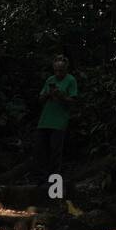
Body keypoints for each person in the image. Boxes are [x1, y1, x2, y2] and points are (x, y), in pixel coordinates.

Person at [36, 54, 78, 187]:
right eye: (56, 70)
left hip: (59, 122)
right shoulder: (50, 80)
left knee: (56, 153)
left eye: (61, 70)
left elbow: (73, 101)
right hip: (45, 120)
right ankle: (42, 180)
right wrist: (49, 93)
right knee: (41, 151)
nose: (58, 73)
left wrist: (61, 96)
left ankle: (54, 184)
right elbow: (40, 100)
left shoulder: (71, 80)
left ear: (66, 69)